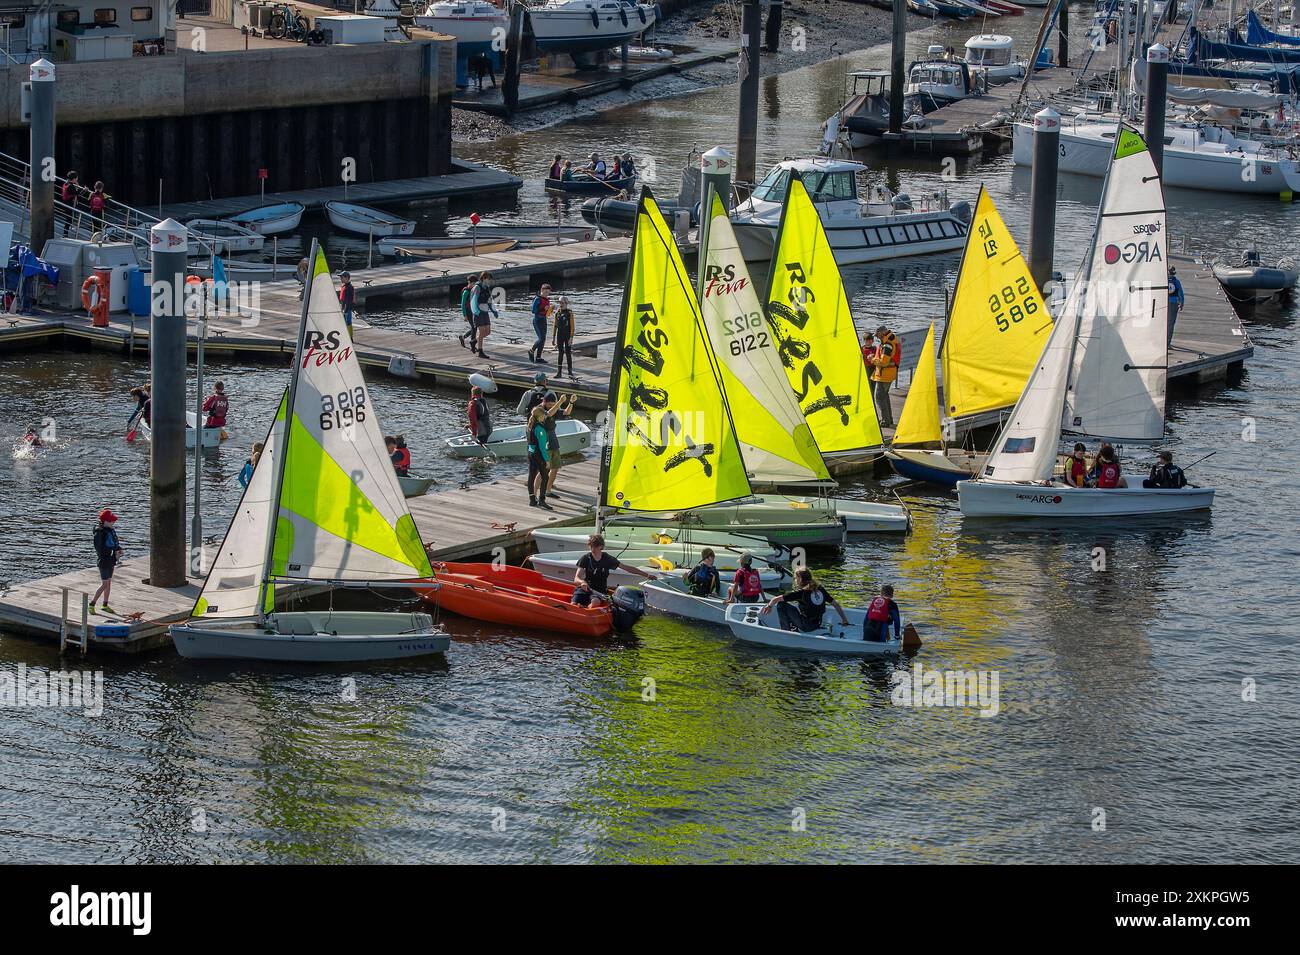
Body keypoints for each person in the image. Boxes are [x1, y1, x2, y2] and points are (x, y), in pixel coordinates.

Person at [572, 533, 655, 606]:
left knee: (595, 603)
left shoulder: (608, 559)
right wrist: (582, 582)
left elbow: (627, 568)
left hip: (599, 591)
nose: (593, 549)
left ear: (601, 546)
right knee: (573, 603)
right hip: (585, 588)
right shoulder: (586, 558)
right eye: (591, 546)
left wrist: (647, 575)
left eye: (595, 546)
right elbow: (576, 578)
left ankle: (588, 613)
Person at [764, 569, 849, 633]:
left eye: (795, 578)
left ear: (800, 579)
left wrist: (769, 606)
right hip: (817, 624)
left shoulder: (801, 592)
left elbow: (775, 599)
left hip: (806, 626)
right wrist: (844, 619)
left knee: (781, 604)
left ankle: (785, 631)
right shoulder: (820, 589)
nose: (795, 580)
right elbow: (835, 604)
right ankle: (793, 627)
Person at [89, 508, 123, 615]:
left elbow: (114, 543)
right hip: (103, 561)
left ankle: (105, 605)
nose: (113, 522)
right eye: (112, 521)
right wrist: (113, 550)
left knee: (108, 583)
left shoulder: (110, 530)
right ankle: (92, 604)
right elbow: (100, 549)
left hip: (111, 560)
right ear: (105, 521)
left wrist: (118, 549)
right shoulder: (99, 533)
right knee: (104, 584)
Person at [541, 391, 575, 496]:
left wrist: (571, 403)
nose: (551, 405)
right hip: (544, 441)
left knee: (555, 467)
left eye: (553, 403)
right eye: (549, 403)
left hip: (553, 441)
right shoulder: (539, 409)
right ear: (544, 402)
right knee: (544, 468)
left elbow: (566, 412)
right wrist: (559, 402)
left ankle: (548, 490)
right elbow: (549, 413)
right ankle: (539, 489)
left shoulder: (555, 408)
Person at [870, 324, 901, 429]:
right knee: (884, 396)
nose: (877, 337)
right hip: (888, 373)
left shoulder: (887, 345)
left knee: (879, 398)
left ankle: (885, 421)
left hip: (884, 374)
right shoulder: (891, 340)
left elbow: (883, 362)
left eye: (878, 335)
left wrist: (872, 359)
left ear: (882, 333)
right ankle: (888, 419)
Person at [526, 406, 552, 510]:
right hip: (538, 455)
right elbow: (542, 446)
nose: (545, 417)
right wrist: (547, 460)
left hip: (531, 453)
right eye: (544, 415)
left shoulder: (530, 426)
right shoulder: (540, 429)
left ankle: (532, 500)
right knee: (545, 476)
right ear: (540, 416)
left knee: (531, 476)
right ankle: (542, 500)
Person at [470, 271, 498, 358]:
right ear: (484, 278)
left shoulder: (487, 288)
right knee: (482, 331)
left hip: (485, 312)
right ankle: (480, 352)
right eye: (489, 279)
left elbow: (490, 301)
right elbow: (473, 301)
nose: (490, 281)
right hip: (478, 312)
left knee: (488, 332)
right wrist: (476, 311)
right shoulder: (477, 288)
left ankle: (474, 341)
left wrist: (494, 311)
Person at [552, 294, 575, 378]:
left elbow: (572, 326)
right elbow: (555, 325)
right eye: (559, 302)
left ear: (566, 303)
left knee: (568, 353)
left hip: (567, 335)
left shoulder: (569, 313)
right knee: (560, 353)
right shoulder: (558, 312)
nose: (560, 304)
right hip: (560, 335)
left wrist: (571, 338)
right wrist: (554, 337)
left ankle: (570, 372)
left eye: (562, 302)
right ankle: (559, 372)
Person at [528, 283, 552, 363]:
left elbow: (547, 312)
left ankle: (538, 357)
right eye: (545, 292)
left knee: (543, 339)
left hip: (543, 320)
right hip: (537, 320)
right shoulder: (537, 299)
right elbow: (533, 311)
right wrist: (543, 309)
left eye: (548, 293)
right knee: (541, 338)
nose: (546, 294)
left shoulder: (547, 300)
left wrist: (550, 310)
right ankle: (531, 351)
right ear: (541, 290)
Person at [1167, 267, 1184, 346]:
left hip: (1164, 303)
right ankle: (1168, 342)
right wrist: (1181, 303)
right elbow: (1180, 293)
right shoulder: (1176, 282)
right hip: (1174, 304)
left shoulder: (1164, 281)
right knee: (1171, 323)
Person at [458, 274, 476, 349]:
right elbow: (462, 304)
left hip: (473, 311)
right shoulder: (466, 292)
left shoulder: (474, 290)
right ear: (469, 282)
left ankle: (463, 337)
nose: (474, 285)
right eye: (473, 283)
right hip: (468, 312)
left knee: (475, 327)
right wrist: (464, 315)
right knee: (474, 327)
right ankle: (473, 345)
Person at [338, 271, 355, 338]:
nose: (341, 279)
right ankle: (347, 337)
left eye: (342, 277)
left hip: (347, 309)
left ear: (347, 278)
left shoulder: (349, 288)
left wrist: (345, 311)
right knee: (346, 323)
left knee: (348, 323)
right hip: (345, 308)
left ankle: (350, 338)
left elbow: (348, 301)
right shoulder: (345, 286)